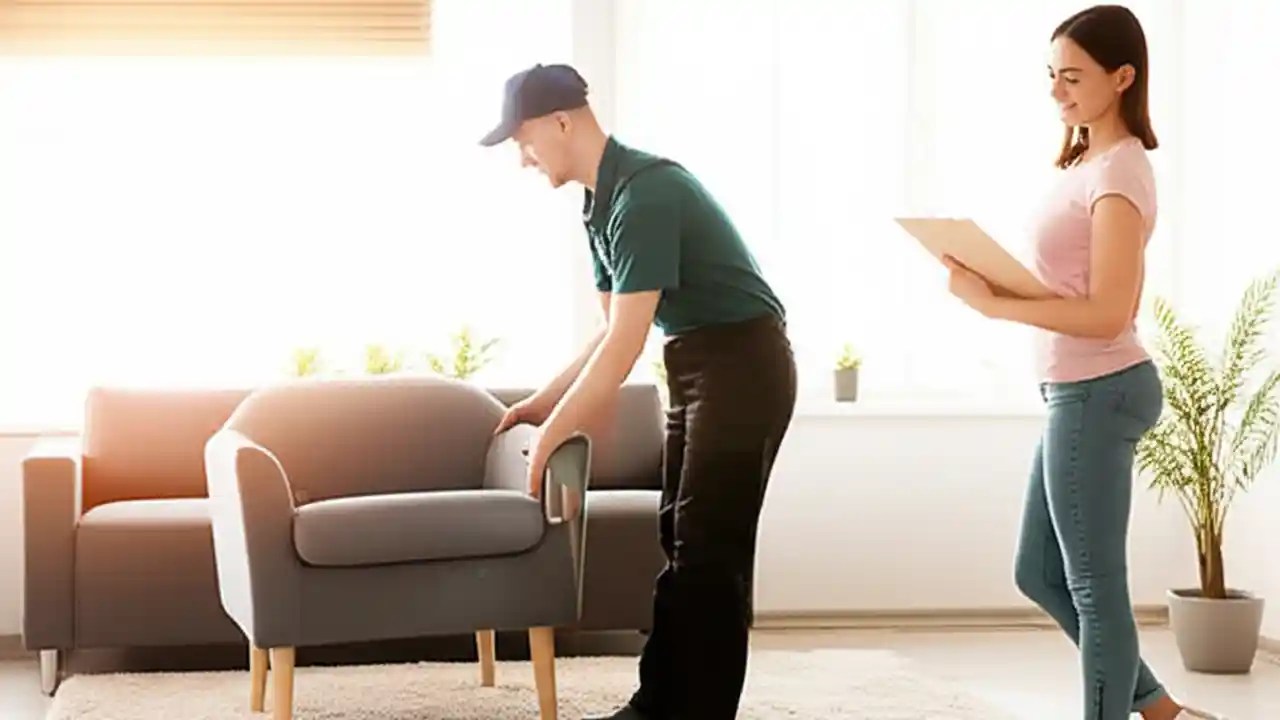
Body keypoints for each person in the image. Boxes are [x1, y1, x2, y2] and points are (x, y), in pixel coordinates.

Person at [479, 63, 798, 719]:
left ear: (561, 122)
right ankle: (660, 704)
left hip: (743, 363)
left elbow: (625, 347)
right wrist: (544, 403)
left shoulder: (647, 194)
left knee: (709, 550)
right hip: (695, 362)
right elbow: (609, 330)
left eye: (524, 140)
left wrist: (555, 436)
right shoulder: (601, 204)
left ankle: (696, 711)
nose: (523, 159)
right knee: (680, 538)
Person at [942, 6, 1223, 720]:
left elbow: (1107, 313)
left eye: (1072, 77)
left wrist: (995, 306)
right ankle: (1159, 710)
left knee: (1095, 587)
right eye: (1051, 75)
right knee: (1038, 571)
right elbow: (1074, 290)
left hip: (1100, 386)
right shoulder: (1088, 165)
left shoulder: (1121, 172)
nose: (1056, 91)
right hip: (1076, 388)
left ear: (1122, 77)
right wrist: (996, 283)